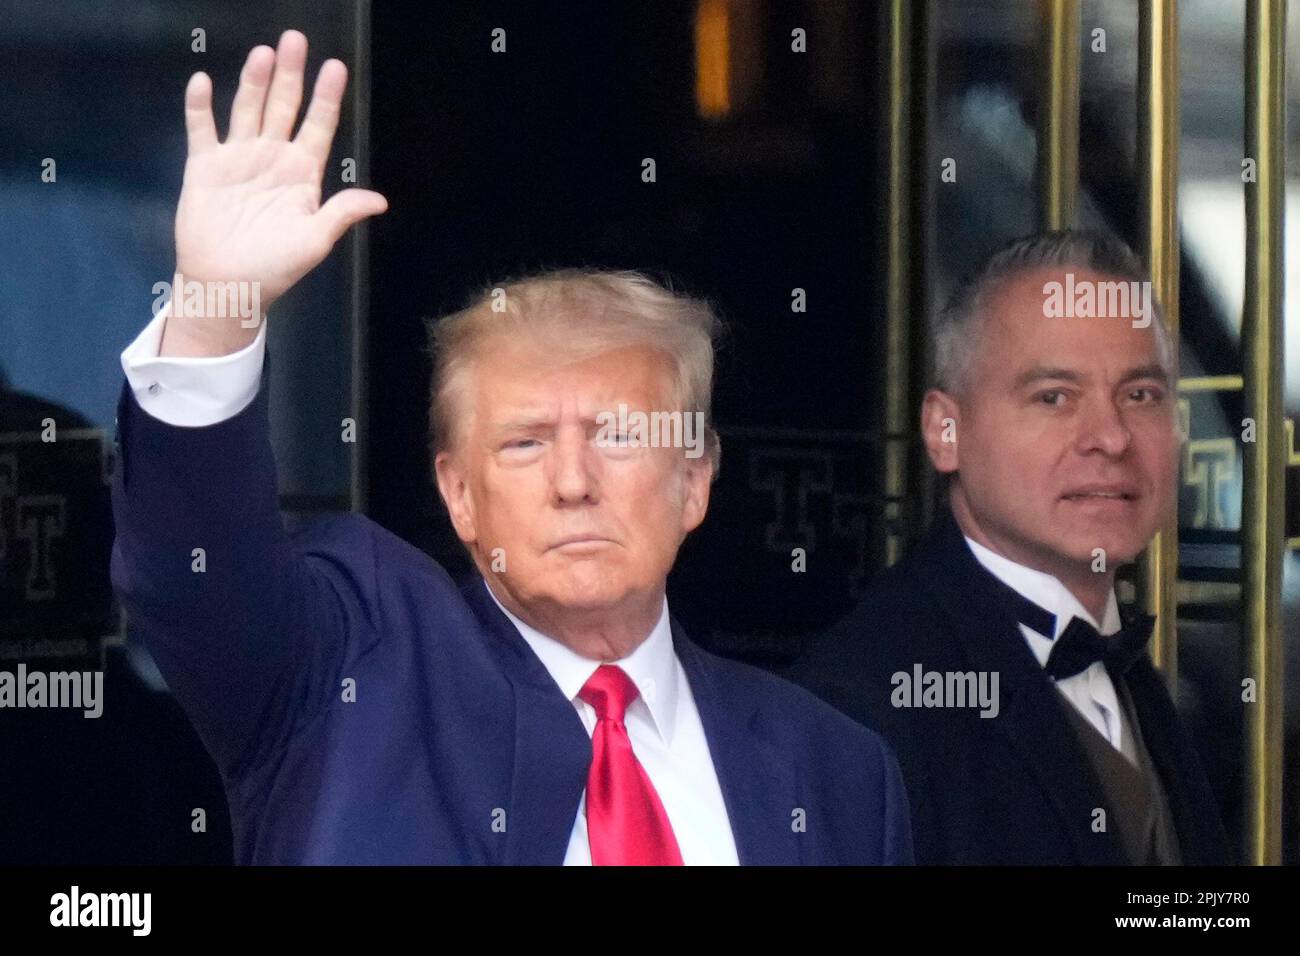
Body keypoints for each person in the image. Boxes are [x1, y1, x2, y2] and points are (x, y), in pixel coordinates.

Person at [109, 29, 913, 865]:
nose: (574, 481)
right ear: (457, 493)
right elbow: (191, 576)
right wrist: (214, 309)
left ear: (696, 478)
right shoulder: (349, 668)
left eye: (621, 435)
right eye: (525, 443)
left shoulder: (835, 772)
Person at [791, 230, 1230, 865]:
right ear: (946, 432)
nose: (1110, 437)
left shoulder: (1151, 684)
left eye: (1140, 395)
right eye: (1054, 397)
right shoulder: (858, 705)